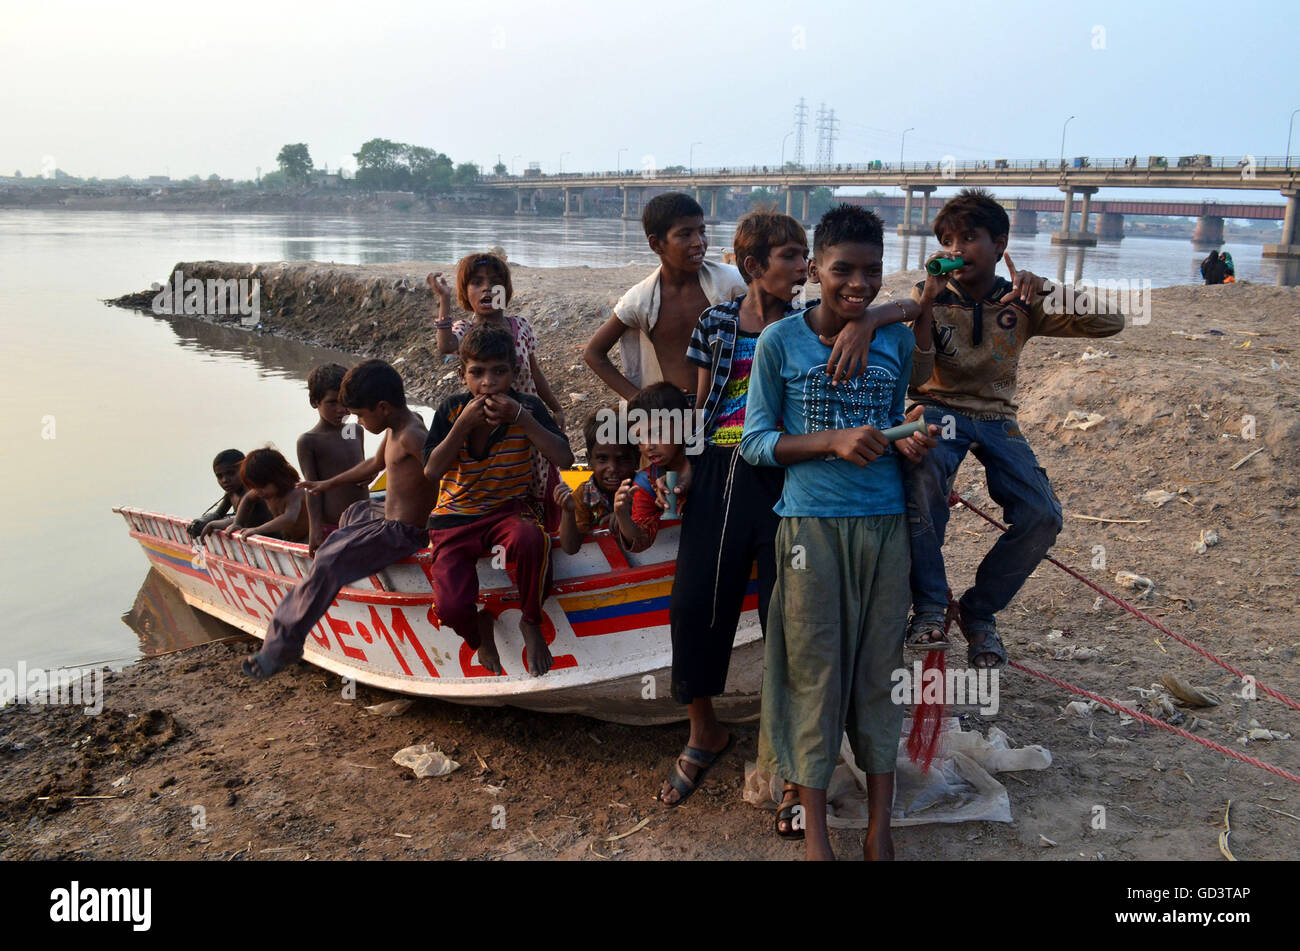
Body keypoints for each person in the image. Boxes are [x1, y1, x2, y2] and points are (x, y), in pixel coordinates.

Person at [659, 211, 923, 831]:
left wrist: (880, 322)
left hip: (823, 490)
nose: (803, 268)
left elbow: (908, 333)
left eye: (805, 256)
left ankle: (792, 780)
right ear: (756, 267)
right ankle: (706, 734)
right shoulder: (729, 325)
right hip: (740, 470)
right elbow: (713, 406)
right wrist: (687, 460)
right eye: (792, 256)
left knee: (813, 639)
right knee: (702, 602)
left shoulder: (853, 324)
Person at [739, 204, 938, 861]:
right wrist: (832, 440)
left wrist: (910, 439)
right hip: (808, 533)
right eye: (842, 270)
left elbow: (898, 409)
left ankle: (880, 831)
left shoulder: (895, 339)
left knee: (880, 674)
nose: (858, 282)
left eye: (872, 271)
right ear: (814, 269)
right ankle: (817, 837)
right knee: (815, 676)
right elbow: (758, 444)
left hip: (883, 530)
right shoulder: (780, 344)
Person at [904, 188, 1124, 668]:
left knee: (1042, 515)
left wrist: (1045, 287)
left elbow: (1112, 322)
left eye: (969, 238)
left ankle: (979, 613)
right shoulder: (933, 299)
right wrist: (924, 308)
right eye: (946, 241)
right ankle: (929, 608)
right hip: (936, 408)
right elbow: (917, 377)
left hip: (997, 417)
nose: (955, 250)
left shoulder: (1022, 301)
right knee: (922, 487)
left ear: (1000, 243)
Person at [242, 359, 436, 679]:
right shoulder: (397, 427)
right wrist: (327, 484)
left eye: (359, 414)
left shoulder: (412, 435)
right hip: (387, 519)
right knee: (352, 513)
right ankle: (349, 553)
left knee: (330, 560)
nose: (354, 420)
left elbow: (441, 472)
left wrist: (441, 521)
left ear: (383, 408)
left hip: (403, 532)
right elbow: (373, 465)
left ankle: (281, 647)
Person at [424, 326, 574, 677]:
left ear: (513, 372)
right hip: (453, 520)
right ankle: (479, 634)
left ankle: (531, 621)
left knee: (531, 537)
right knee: (450, 608)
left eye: (499, 372)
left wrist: (522, 419)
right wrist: (461, 426)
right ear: (463, 375)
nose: (488, 383)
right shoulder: (450, 410)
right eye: (477, 373)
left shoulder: (528, 407)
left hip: (507, 511)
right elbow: (432, 471)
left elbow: (565, 458)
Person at [429, 252, 566, 529]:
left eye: (495, 282)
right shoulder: (466, 329)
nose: (487, 288)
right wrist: (443, 300)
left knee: (535, 476)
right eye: (477, 283)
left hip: (525, 419)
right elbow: (445, 346)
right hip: (486, 421)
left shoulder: (521, 326)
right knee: (492, 475)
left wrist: (556, 407)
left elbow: (534, 371)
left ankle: (534, 530)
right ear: (466, 294)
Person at [584, 193, 748, 401]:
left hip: (730, 404)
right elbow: (593, 353)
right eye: (685, 234)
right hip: (674, 415)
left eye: (702, 231)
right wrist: (639, 400)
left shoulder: (731, 284)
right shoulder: (641, 299)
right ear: (656, 244)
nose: (699, 242)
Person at [612, 382, 693, 554]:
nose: (647, 446)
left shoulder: (712, 463)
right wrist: (622, 515)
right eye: (640, 438)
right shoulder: (645, 482)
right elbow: (641, 541)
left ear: (684, 425)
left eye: (656, 433)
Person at [297, 363, 368, 556]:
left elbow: (363, 468)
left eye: (344, 402)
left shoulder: (355, 431)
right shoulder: (309, 441)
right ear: (314, 401)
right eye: (332, 402)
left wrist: (370, 475)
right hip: (332, 527)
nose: (341, 410)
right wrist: (315, 530)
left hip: (363, 521)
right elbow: (312, 490)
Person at [553, 409, 638, 555]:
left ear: (637, 459)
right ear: (589, 460)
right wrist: (567, 512)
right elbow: (570, 548)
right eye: (602, 459)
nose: (612, 468)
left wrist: (624, 516)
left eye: (622, 459)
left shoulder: (644, 487)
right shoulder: (583, 496)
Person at [228, 448, 311, 543]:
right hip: (289, 536)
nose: (258, 492)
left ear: (278, 478)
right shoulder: (262, 491)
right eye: (254, 487)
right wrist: (237, 523)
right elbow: (247, 498)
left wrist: (257, 530)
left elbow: (289, 518)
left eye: (261, 486)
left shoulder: (295, 491)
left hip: (307, 535)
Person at [189, 449, 269, 538]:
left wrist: (211, 524)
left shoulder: (253, 492)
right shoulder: (231, 493)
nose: (225, 480)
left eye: (231, 473)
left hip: (270, 537)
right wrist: (202, 521)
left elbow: (243, 520)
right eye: (219, 476)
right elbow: (218, 514)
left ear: (244, 470)